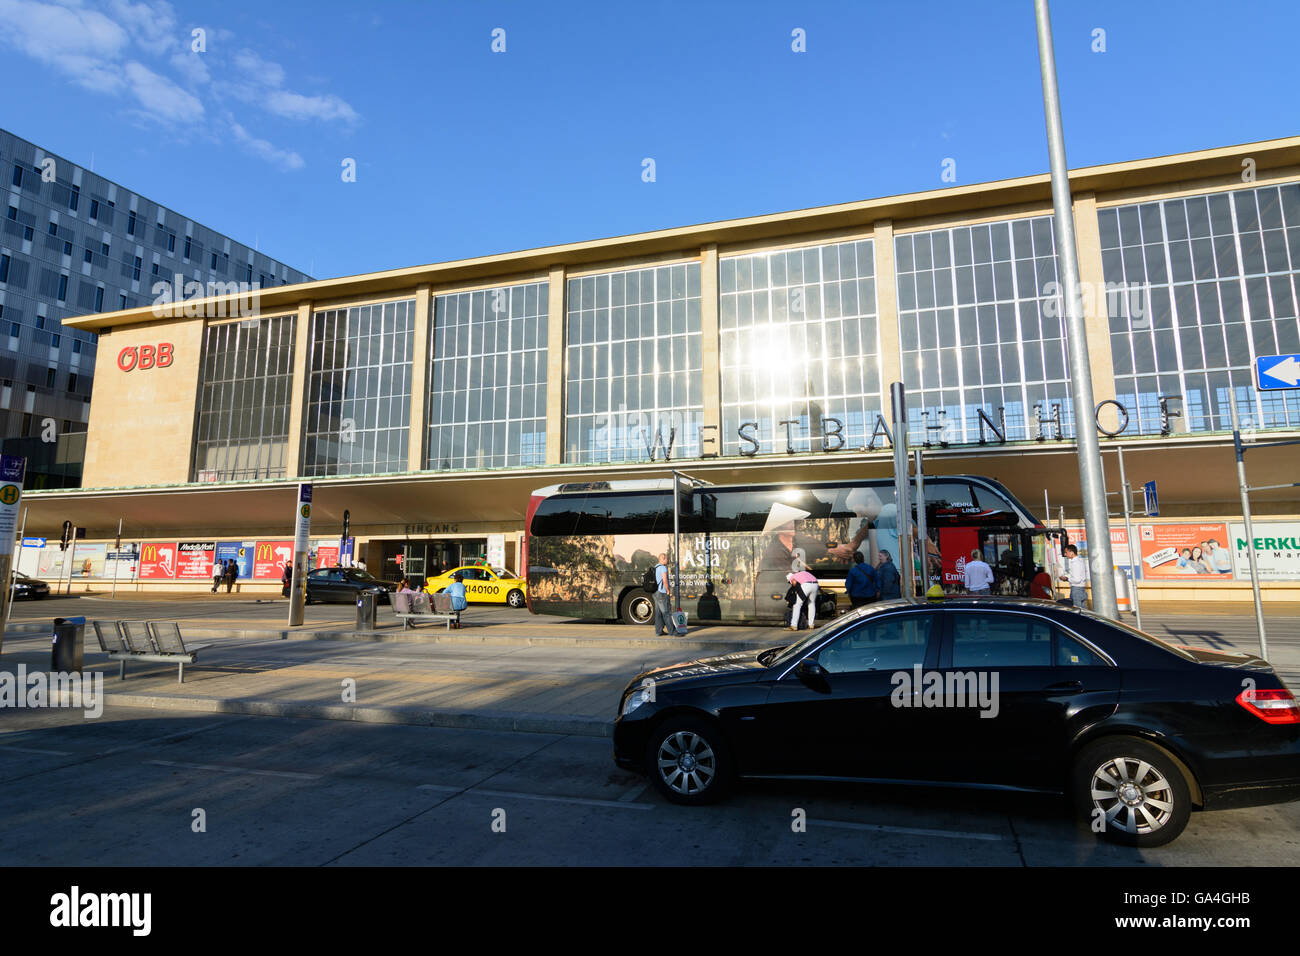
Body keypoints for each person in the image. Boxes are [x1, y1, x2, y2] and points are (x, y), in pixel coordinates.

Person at [651, 552, 672, 637]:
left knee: (658, 613)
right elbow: (665, 580)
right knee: (666, 612)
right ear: (663, 559)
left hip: (655, 592)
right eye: (667, 558)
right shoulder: (663, 568)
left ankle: (658, 631)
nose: (668, 560)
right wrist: (667, 590)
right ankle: (672, 631)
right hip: (662, 592)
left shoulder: (655, 567)